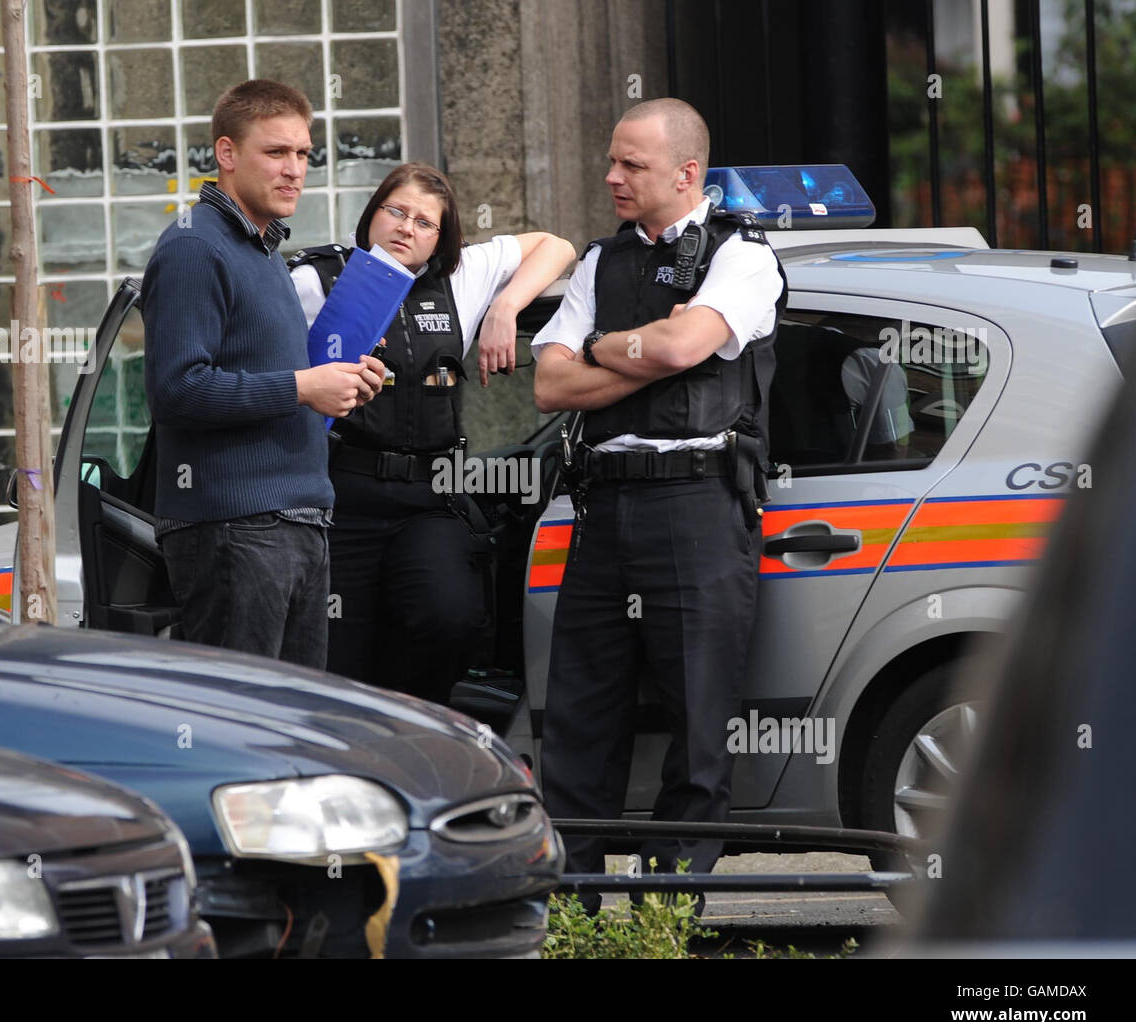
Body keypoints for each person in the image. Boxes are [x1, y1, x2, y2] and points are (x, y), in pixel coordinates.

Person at [531, 98, 787, 907]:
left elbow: (683, 345)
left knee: (696, 729)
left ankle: (664, 921)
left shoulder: (742, 256)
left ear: (687, 174)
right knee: (578, 726)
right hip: (602, 511)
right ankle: (574, 917)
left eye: (630, 165)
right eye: (611, 161)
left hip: (697, 507)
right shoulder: (601, 263)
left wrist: (607, 347)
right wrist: (646, 351)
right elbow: (548, 384)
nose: (611, 176)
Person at [288, 162, 575, 702]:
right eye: (397, 212)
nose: (407, 228)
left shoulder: (461, 278)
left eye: (425, 223)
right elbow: (268, 370)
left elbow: (556, 245)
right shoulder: (315, 280)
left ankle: (414, 721)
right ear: (372, 213)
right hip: (340, 497)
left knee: (451, 618)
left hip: (429, 499)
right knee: (338, 654)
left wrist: (505, 307)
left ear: (441, 238)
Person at [142, 80, 384, 668]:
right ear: (226, 154)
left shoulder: (265, 253)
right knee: (245, 729)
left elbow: (264, 384)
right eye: (276, 153)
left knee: (292, 730)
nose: (295, 169)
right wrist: (305, 386)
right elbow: (177, 390)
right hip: (236, 529)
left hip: (295, 521)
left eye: (303, 154)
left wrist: (336, 382)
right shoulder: (194, 248)